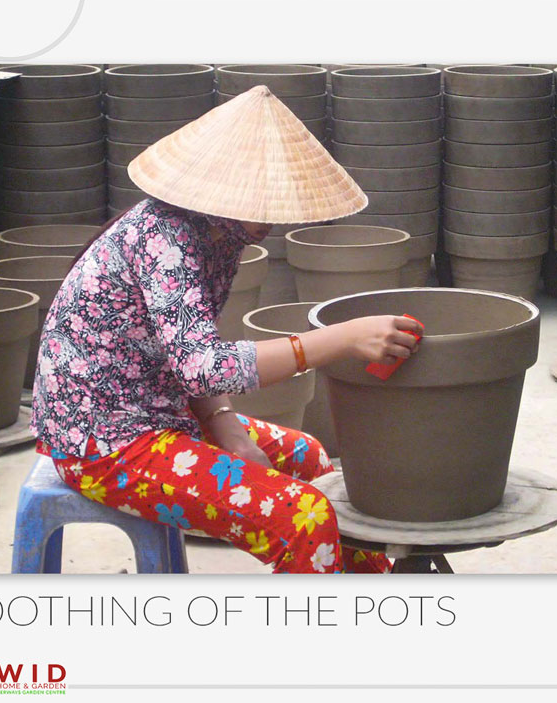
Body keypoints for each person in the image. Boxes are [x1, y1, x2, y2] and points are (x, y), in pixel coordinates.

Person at [31, 86, 422, 574]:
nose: (270, 215)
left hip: (160, 412)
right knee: (304, 517)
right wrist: (341, 339)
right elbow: (202, 367)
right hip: (102, 441)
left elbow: (188, 353)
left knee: (308, 454)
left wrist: (227, 428)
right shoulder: (164, 238)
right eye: (258, 200)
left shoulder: (220, 236)